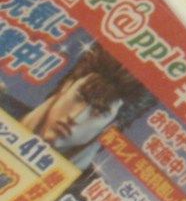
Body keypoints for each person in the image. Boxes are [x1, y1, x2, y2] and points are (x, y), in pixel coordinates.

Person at [14, 44, 149, 171]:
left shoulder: (83, 184)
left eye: (98, 112)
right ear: (67, 85)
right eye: (79, 97)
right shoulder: (5, 108)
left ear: (110, 126)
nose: (75, 118)